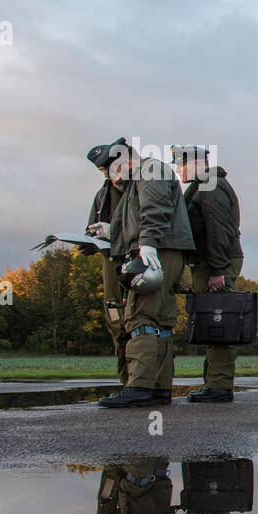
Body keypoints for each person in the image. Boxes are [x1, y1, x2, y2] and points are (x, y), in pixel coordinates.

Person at [86, 139, 194, 408]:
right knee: (160, 319)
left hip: (157, 249)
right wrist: (110, 232)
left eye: (108, 170)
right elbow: (138, 219)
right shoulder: (141, 179)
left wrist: (147, 244)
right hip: (163, 248)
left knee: (142, 315)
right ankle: (157, 388)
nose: (109, 177)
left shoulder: (149, 171)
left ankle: (140, 386)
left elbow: (155, 210)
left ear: (122, 161)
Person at [173, 145, 244, 403]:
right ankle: (213, 384)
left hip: (217, 263)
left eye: (180, 164)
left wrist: (217, 270)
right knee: (212, 323)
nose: (178, 170)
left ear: (195, 163)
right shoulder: (204, 185)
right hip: (210, 263)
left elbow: (220, 230)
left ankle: (220, 386)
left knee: (220, 323)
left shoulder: (211, 186)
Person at [81, 152, 129, 390]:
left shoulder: (141, 190)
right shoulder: (102, 196)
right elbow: (91, 227)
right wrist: (87, 242)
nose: (110, 175)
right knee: (115, 320)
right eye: (104, 172)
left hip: (138, 259)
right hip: (110, 262)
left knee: (144, 321)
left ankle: (147, 382)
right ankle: (126, 382)